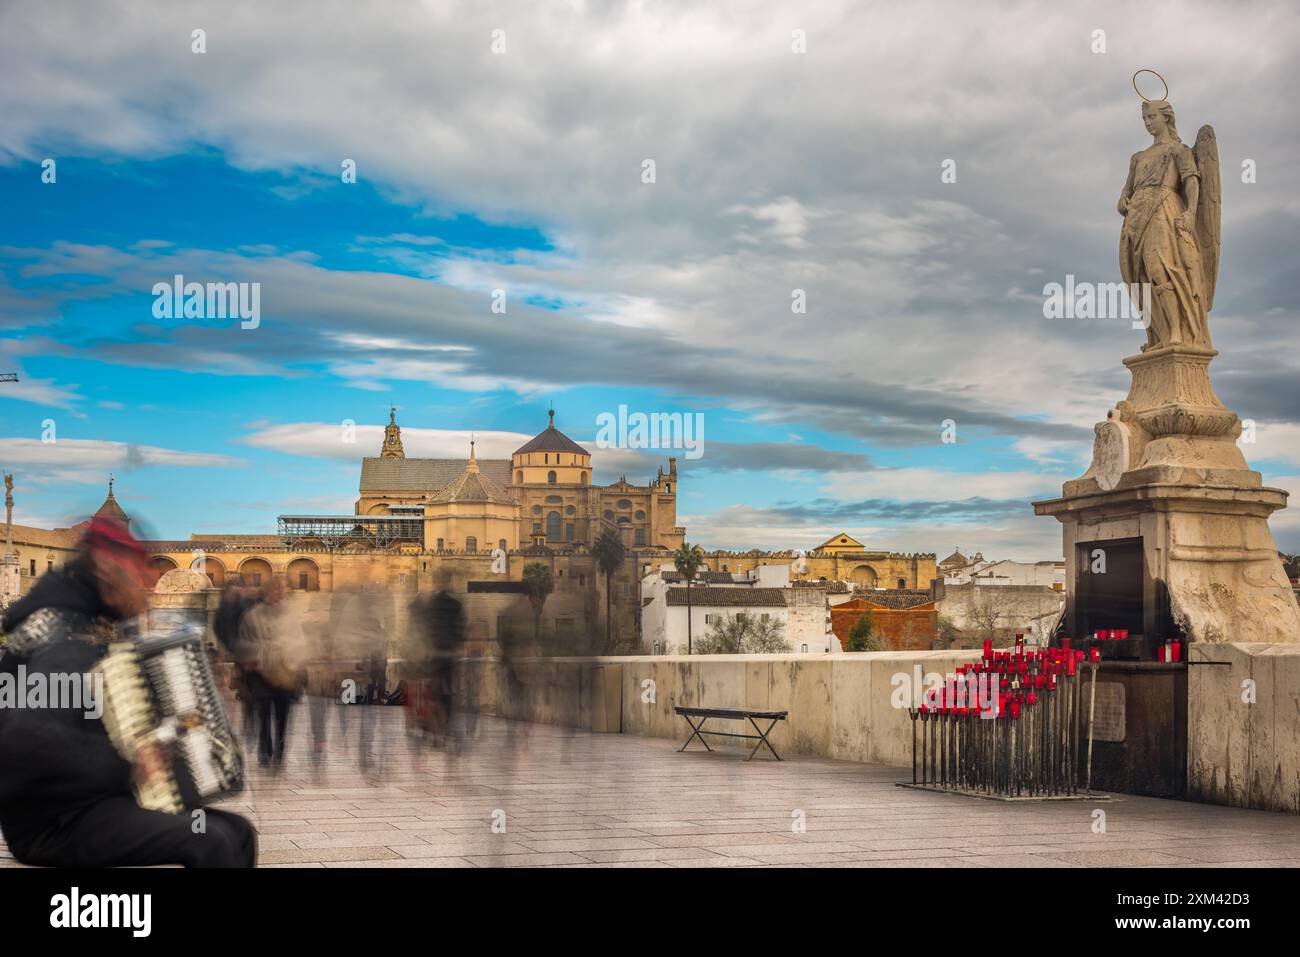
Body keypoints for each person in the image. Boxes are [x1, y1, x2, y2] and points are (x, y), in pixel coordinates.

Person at [0, 516, 256, 867]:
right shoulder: (55, 636)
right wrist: (127, 764)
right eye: (140, 576)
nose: (147, 587)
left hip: (96, 800)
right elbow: (25, 745)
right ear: (109, 574)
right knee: (209, 841)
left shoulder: (91, 625)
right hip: (54, 821)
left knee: (236, 832)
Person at [238, 578, 304, 768]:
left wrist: (288, 652)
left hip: (284, 672)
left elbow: (299, 641)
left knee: (283, 714)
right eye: (275, 589)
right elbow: (243, 642)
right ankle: (265, 750)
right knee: (264, 712)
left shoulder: (290, 616)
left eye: (281, 590)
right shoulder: (253, 616)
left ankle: (280, 751)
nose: (278, 593)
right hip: (260, 673)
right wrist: (258, 653)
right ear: (267, 592)